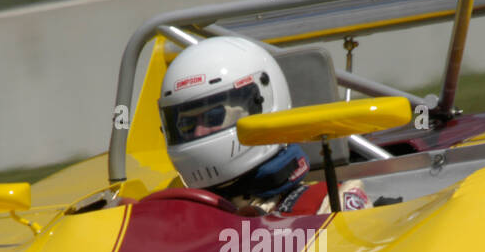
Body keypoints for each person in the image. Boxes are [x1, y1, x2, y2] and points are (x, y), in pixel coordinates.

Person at [159, 37, 371, 215]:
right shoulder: (168, 213)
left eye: (214, 116)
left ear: (264, 104)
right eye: (187, 124)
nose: (199, 132)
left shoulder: (330, 206)